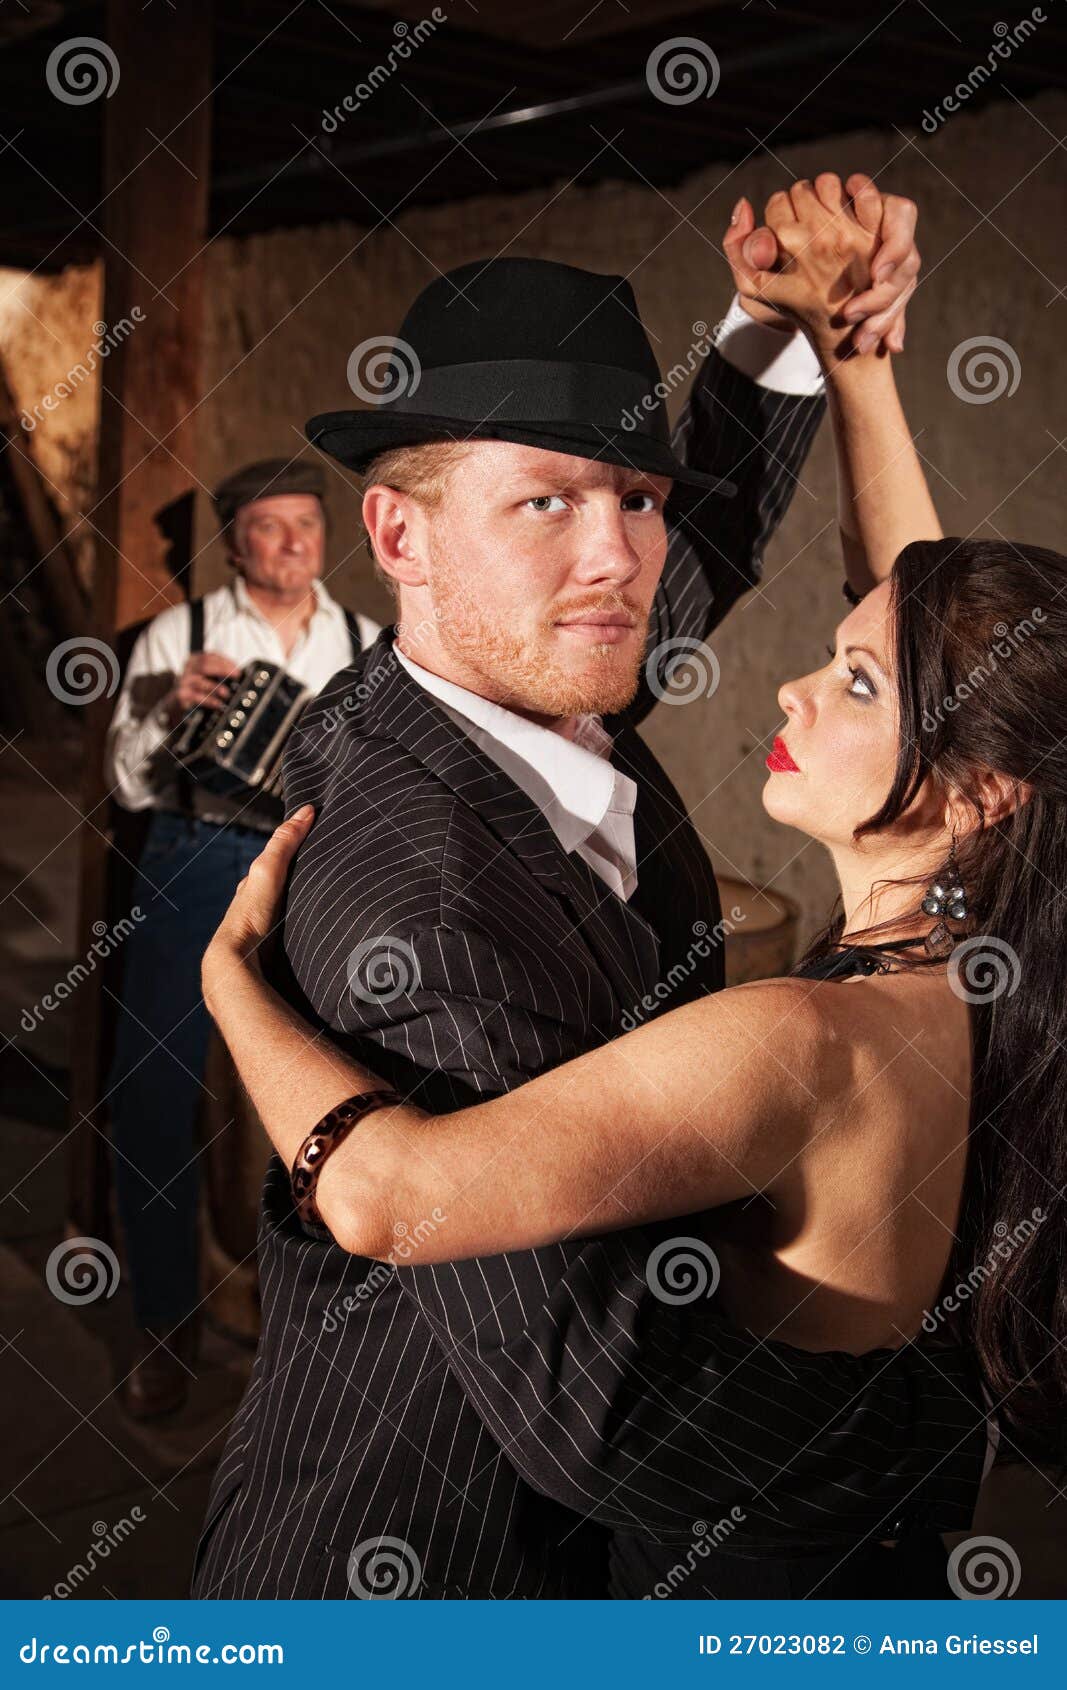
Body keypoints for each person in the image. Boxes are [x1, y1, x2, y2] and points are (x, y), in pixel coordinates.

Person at [189, 175, 945, 1601]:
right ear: (397, 537)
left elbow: (687, 535)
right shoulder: (431, 909)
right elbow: (606, 1414)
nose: (617, 561)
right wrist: (939, 1387)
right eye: (543, 498)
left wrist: (782, 322)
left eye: (633, 496)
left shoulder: (510, 673)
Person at [104, 458, 380, 1419]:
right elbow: (130, 784)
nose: (295, 541)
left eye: (307, 523)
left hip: (314, 870)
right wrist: (167, 709)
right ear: (234, 543)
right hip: (190, 859)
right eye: (271, 527)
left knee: (326, 1100)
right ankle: (164, 1323)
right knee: (154, 1093)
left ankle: (303, 1337)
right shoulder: (177, 636)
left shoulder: (367, 643)